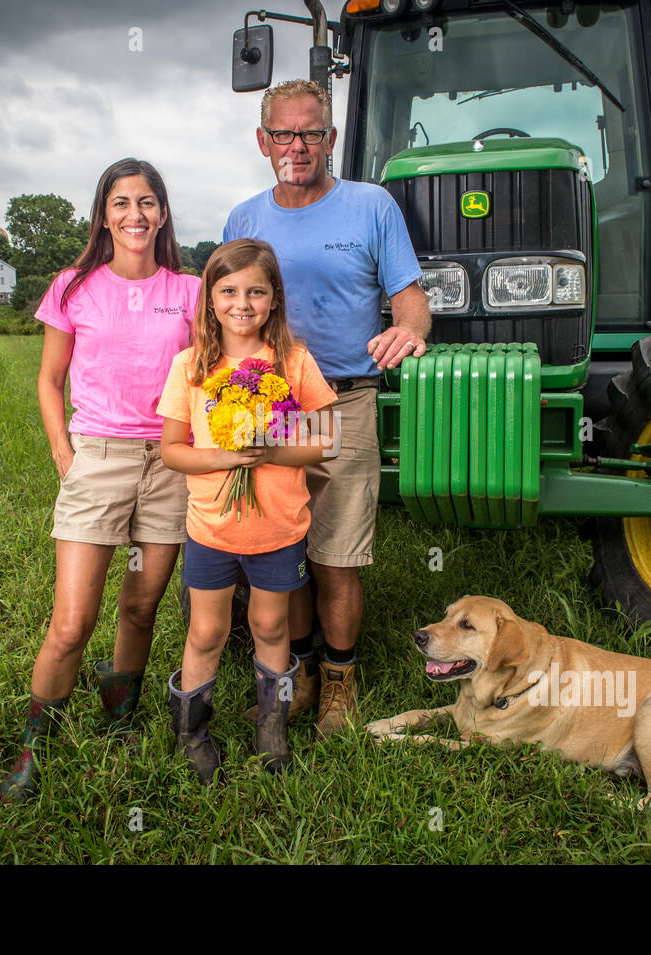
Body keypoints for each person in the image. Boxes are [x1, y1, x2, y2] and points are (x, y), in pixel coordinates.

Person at [222, 79, 431, 735]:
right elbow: (223, 309)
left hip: (343, 399)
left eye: (311, 132)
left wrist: (412, 328)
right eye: (283, 133)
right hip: (267, 409)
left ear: (331, 139)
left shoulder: (371, 206)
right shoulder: (244, 218)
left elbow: (410, 296)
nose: (298, 145)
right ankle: (302, 669)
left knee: (336, 555)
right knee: (282, 554)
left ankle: (339, 680)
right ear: (263, 142)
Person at [0, 158, 201, 804]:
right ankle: (34, 747)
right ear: (104, 213)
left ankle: (119, 719)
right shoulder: (73, 286)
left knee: (141, 606)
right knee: (71, 621)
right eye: (121, 202)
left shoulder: (190, 291)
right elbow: (48, 380)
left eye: (146, 202)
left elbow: (209, 377)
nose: (135, 214)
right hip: (100, 454)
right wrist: (65, 453)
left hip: (170, 461)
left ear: (162, 213)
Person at [157, 238, 336, 782]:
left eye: (256, 291)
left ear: (275, 299)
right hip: (211, 528)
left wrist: (270, 452)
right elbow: (171, 450)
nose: (242, 302)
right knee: (206, 633)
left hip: (279, 529)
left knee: (270, 624)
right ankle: (191, 731)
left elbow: (325, 439)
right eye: (229, 290)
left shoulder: (293, 362)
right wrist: (223, 455)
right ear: (209, 299)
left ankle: (271, 725)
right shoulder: (191, 366)